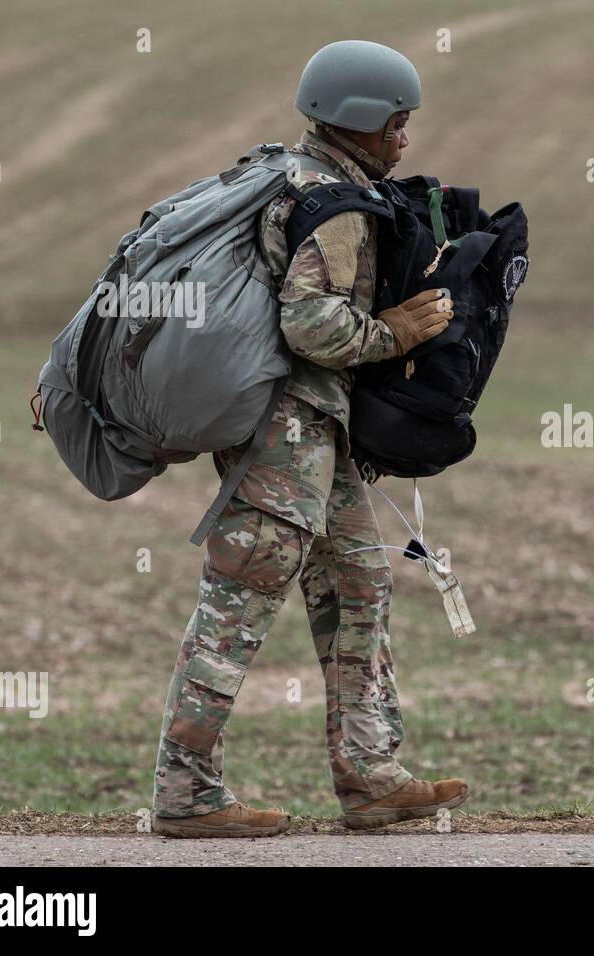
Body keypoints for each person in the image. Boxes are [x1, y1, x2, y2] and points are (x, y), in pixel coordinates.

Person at [150, 40, 468, 838]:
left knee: (361, 583)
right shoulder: (336, 205)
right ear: (359, 122)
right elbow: (310, 322)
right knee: (239, 604)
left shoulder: (293, 177)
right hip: (280, 437)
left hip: (312, 433)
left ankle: (370, 775)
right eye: (397, 122)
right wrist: (391, 333)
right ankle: (186, 793)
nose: (404, 138)